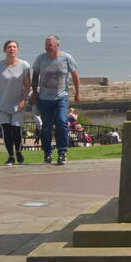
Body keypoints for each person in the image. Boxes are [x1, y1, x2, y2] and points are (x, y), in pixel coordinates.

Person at [30, 34, 80, 165]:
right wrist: (34, 92)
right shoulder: (40, 59)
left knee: (62, 122)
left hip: (61, 97)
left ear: (57, 45)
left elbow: (75, 75)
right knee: (46, 127)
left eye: (50, 45)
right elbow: (35, 75)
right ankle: (47, 153)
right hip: (45, 98)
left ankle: (62, 152)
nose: (47, 47)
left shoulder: (66, 58)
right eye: (46, 45)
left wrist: (78, 93)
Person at [0, 40, 30, 165]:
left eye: (14, 47)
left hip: (18, 104)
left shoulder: (24, 66)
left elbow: (28, 85)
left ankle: (18, 152)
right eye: (9, 47)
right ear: (4, 50)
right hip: (2, 104)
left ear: (17, 50)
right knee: (6, 130)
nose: (11, 49)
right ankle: (11, 156)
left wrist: (24, 100)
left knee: (16, 130)